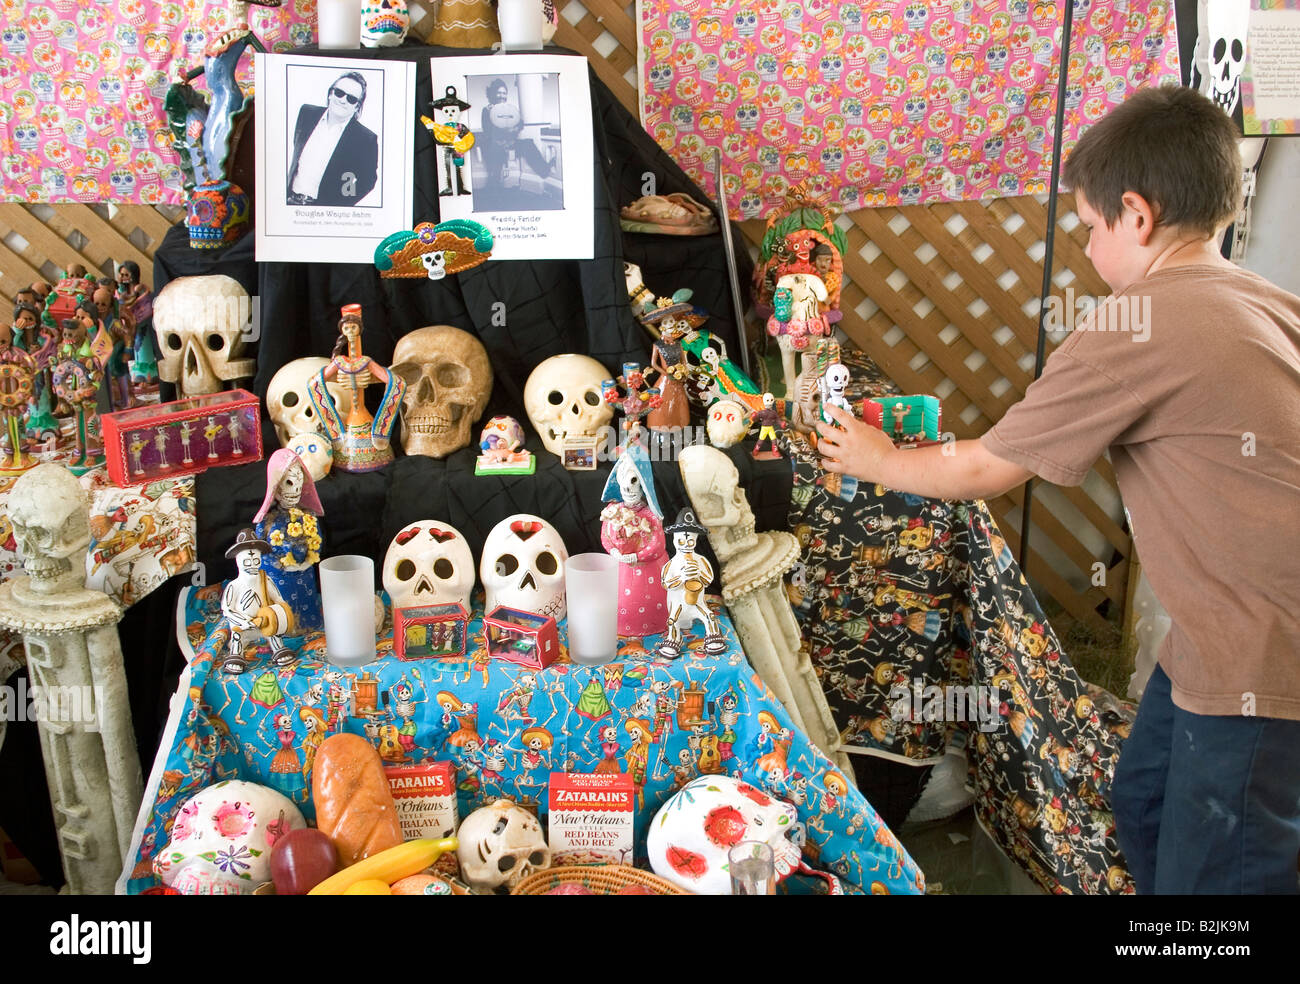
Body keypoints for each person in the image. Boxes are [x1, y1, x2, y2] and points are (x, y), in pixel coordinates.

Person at [816, 85, 1300, 894]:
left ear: (1136, 217)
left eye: (1088, 227)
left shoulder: (1137, 321)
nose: (1085, 248)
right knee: (1141, 802)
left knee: (1220, 875)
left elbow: (987, 468)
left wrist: (871, 457)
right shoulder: (1264, 300)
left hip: (1261, 661)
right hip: (1218, 637)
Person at [286, 71, 379, 207]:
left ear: (357, 107)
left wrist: (340, 206)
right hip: (290, 201)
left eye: (351, 99)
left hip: (325, 212)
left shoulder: (366, 138)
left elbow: (367, 181)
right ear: (330, 93)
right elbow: (297, 147)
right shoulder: (306, 113)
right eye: (339, 93)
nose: (343, 100)